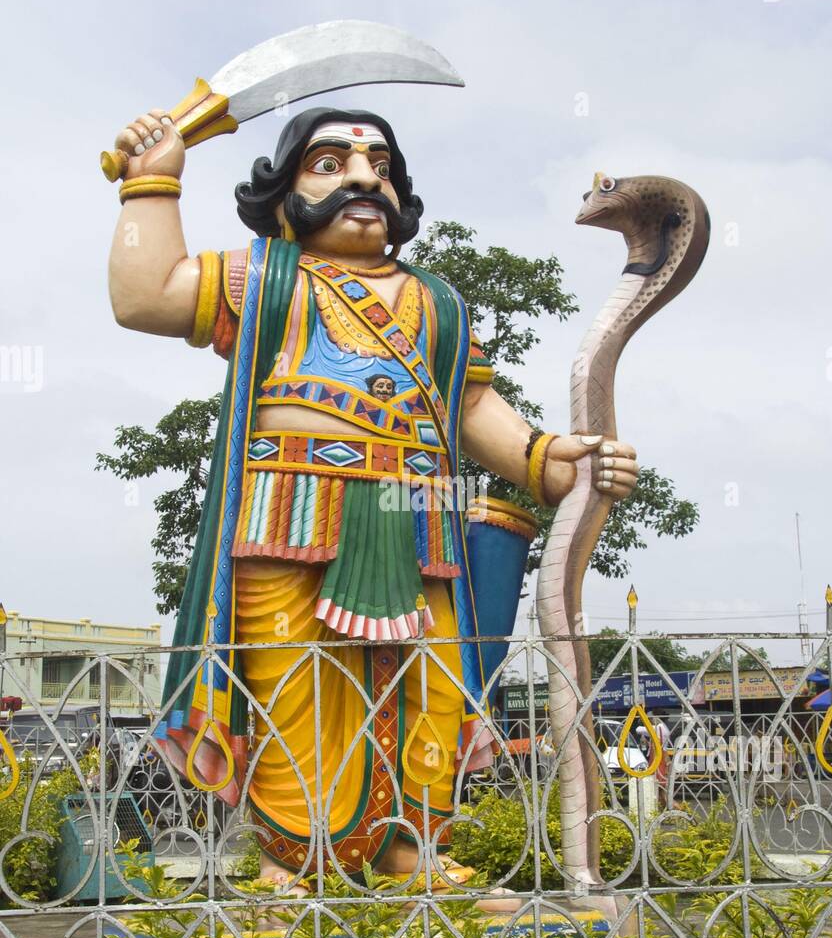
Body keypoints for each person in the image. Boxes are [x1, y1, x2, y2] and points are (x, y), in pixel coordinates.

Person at [107, 105, 639, 887]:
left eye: (380, 167)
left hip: (417, 524)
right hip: (287, 514)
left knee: (429, 689)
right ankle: (293, 869)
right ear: (283, 193)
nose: (363, 178)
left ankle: (405, 855)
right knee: (300, 690)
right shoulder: (263, 275)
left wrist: (551, 459)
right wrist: (151, 184)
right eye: (330, 163)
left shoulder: (439, 303)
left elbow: (471, 412)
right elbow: (145, 297)